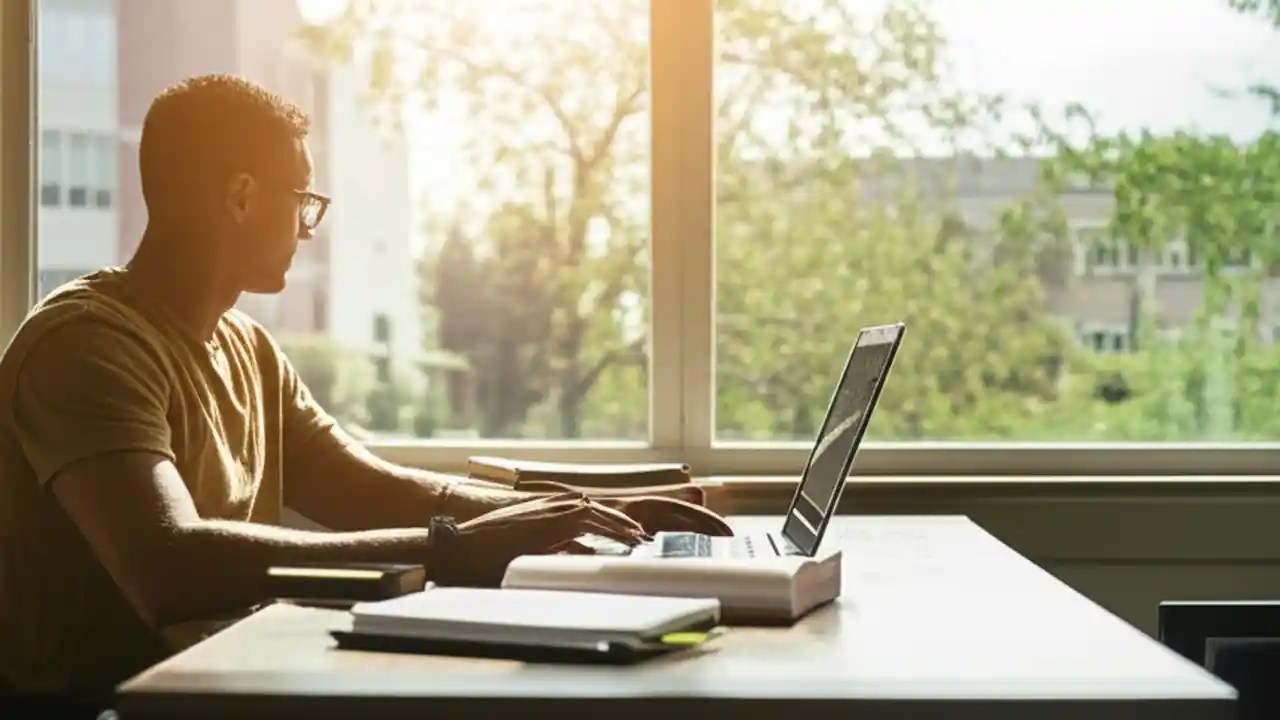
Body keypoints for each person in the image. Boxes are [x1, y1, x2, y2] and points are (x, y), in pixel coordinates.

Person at [0, 74, 730, 702]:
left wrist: (573, 514)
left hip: (212, 684)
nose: (308, 228)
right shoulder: (87, 346)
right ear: (243, 196)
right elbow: (166, 563)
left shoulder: (246, 348)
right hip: (99, 706)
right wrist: (453, 550)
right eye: (302, 200)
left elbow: (367, 488)